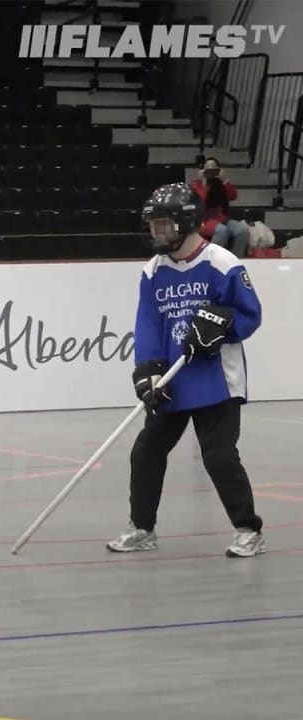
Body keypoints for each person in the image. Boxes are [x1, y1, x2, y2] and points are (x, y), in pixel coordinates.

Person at [108, 182, 265, 558]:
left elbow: (250, 314)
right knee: (146, 451)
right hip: (174, 380)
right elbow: (147, 325)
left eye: (163, 225)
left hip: (216, 381)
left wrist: (221, 323)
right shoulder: (153, 271)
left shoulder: (222, 263)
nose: (156, 233)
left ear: (187, 222)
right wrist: (147, 371)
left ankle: (248, 530)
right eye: (153, 225)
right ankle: (142, 528)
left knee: (219, 456)